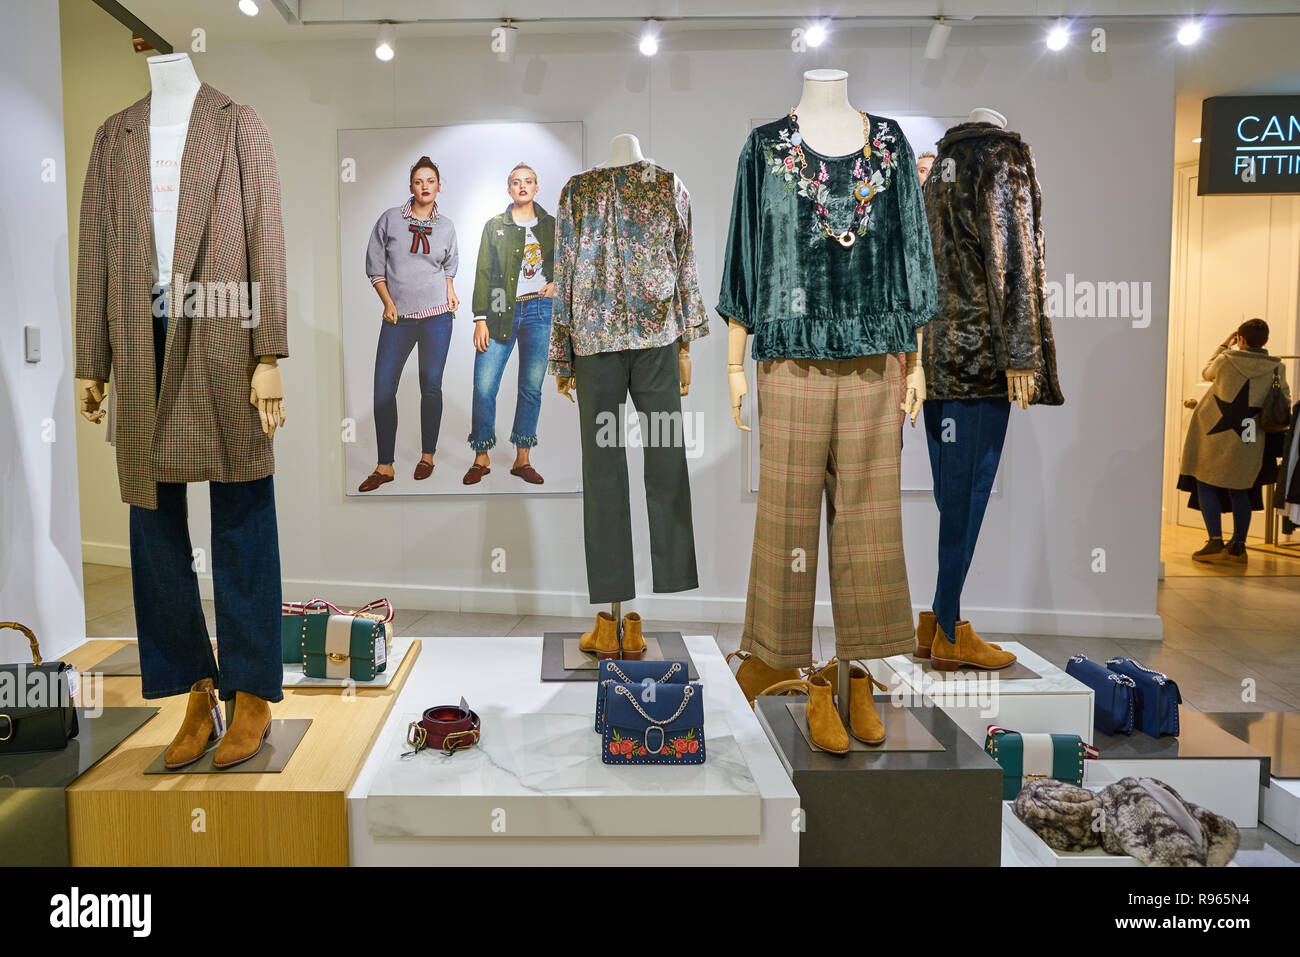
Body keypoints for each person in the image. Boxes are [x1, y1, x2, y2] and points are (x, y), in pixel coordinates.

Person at [359, 157, 459, 492]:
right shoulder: (390, 219)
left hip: (437, 316)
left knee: (430, 386)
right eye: (419, 181)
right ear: (411, 186)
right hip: (398, 318)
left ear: (439, 186)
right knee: (383, 389)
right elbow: (375, 266)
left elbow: (448, 266)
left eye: (430, 181)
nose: (425, 186)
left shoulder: (447, 226)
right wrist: (387, 302)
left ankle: (427, 457)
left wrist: (450, 290)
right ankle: (384, 465)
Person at [464, 162, 556, 485]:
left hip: (540, 310)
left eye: (528, 181)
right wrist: (480, 318)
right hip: (500, 308)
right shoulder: (495, 226)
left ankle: (522, 459)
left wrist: (557, 283)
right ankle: (481, 456)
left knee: (531, 387)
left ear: (536, 187)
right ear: (509, 189)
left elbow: (571, 261)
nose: (522, 186)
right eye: (516, 182)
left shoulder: (551, 225)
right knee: (484, 385)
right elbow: (483, 272)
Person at [1179, 318, 1291, 563]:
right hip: (1250, 435)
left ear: (1240, 339)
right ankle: (1238, 546)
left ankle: (1215, 542)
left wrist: (1223, 346)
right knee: (1241, 489)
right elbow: (1284, 398)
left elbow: (1206, 373)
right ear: (1265, 341)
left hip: (1214, 434)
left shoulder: (1226, 359)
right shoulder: (1277, 368)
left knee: (1206, 483)